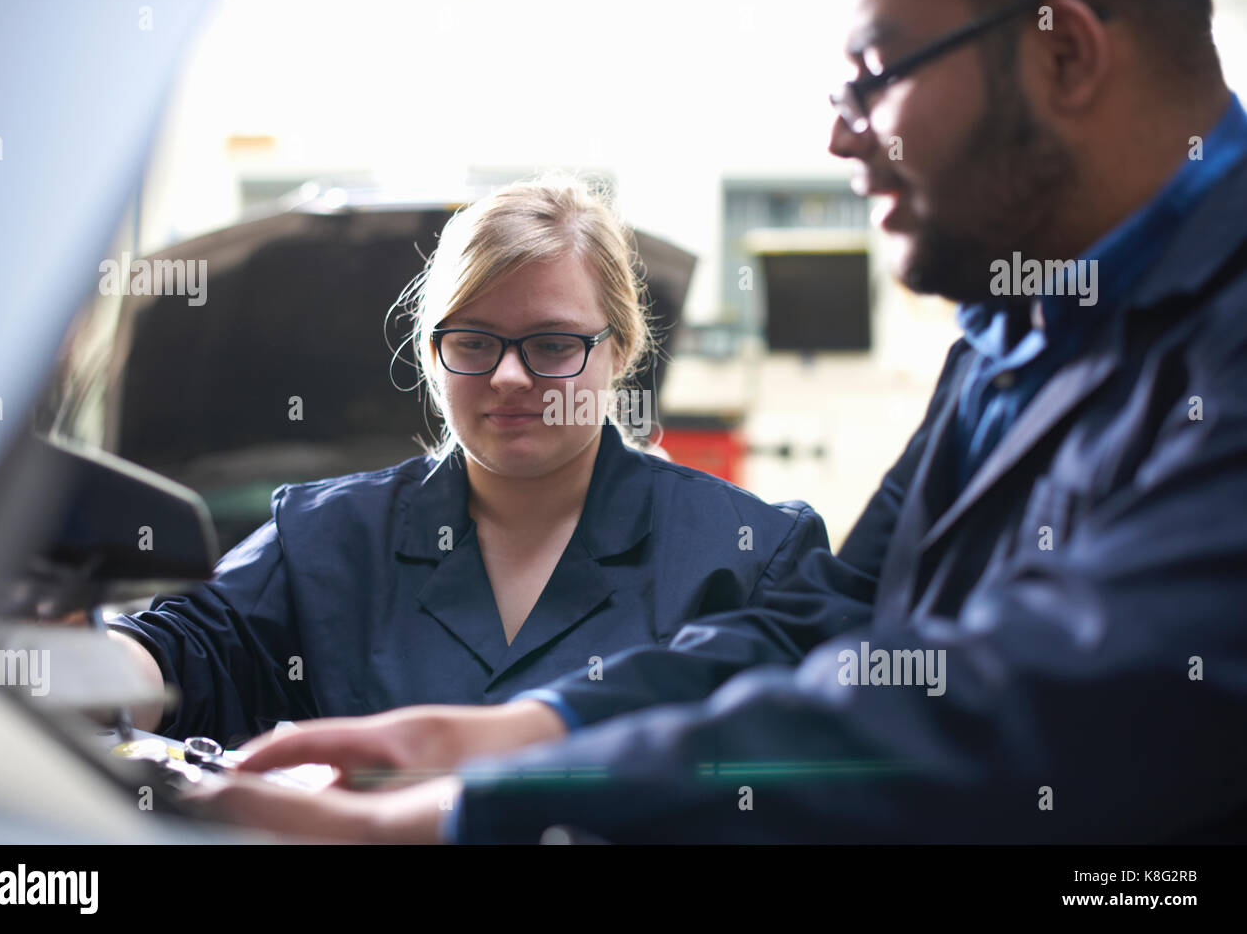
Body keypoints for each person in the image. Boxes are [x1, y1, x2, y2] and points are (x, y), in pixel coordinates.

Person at [196, 0, 1247, 843]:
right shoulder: (1014, 330)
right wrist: (523, 728)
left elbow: (1037, 702)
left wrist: (475, 808)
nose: (840, 141)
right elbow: (840, 624)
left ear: (1063, 53)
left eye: (871, 80)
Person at [105, 175, 831, 747]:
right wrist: (61, 662)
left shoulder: (751, 558)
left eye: (551, 344)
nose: (510, 378)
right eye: (475, 342)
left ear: (620, 350)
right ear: (430, 354)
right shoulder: (327, 540)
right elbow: (178, 654)